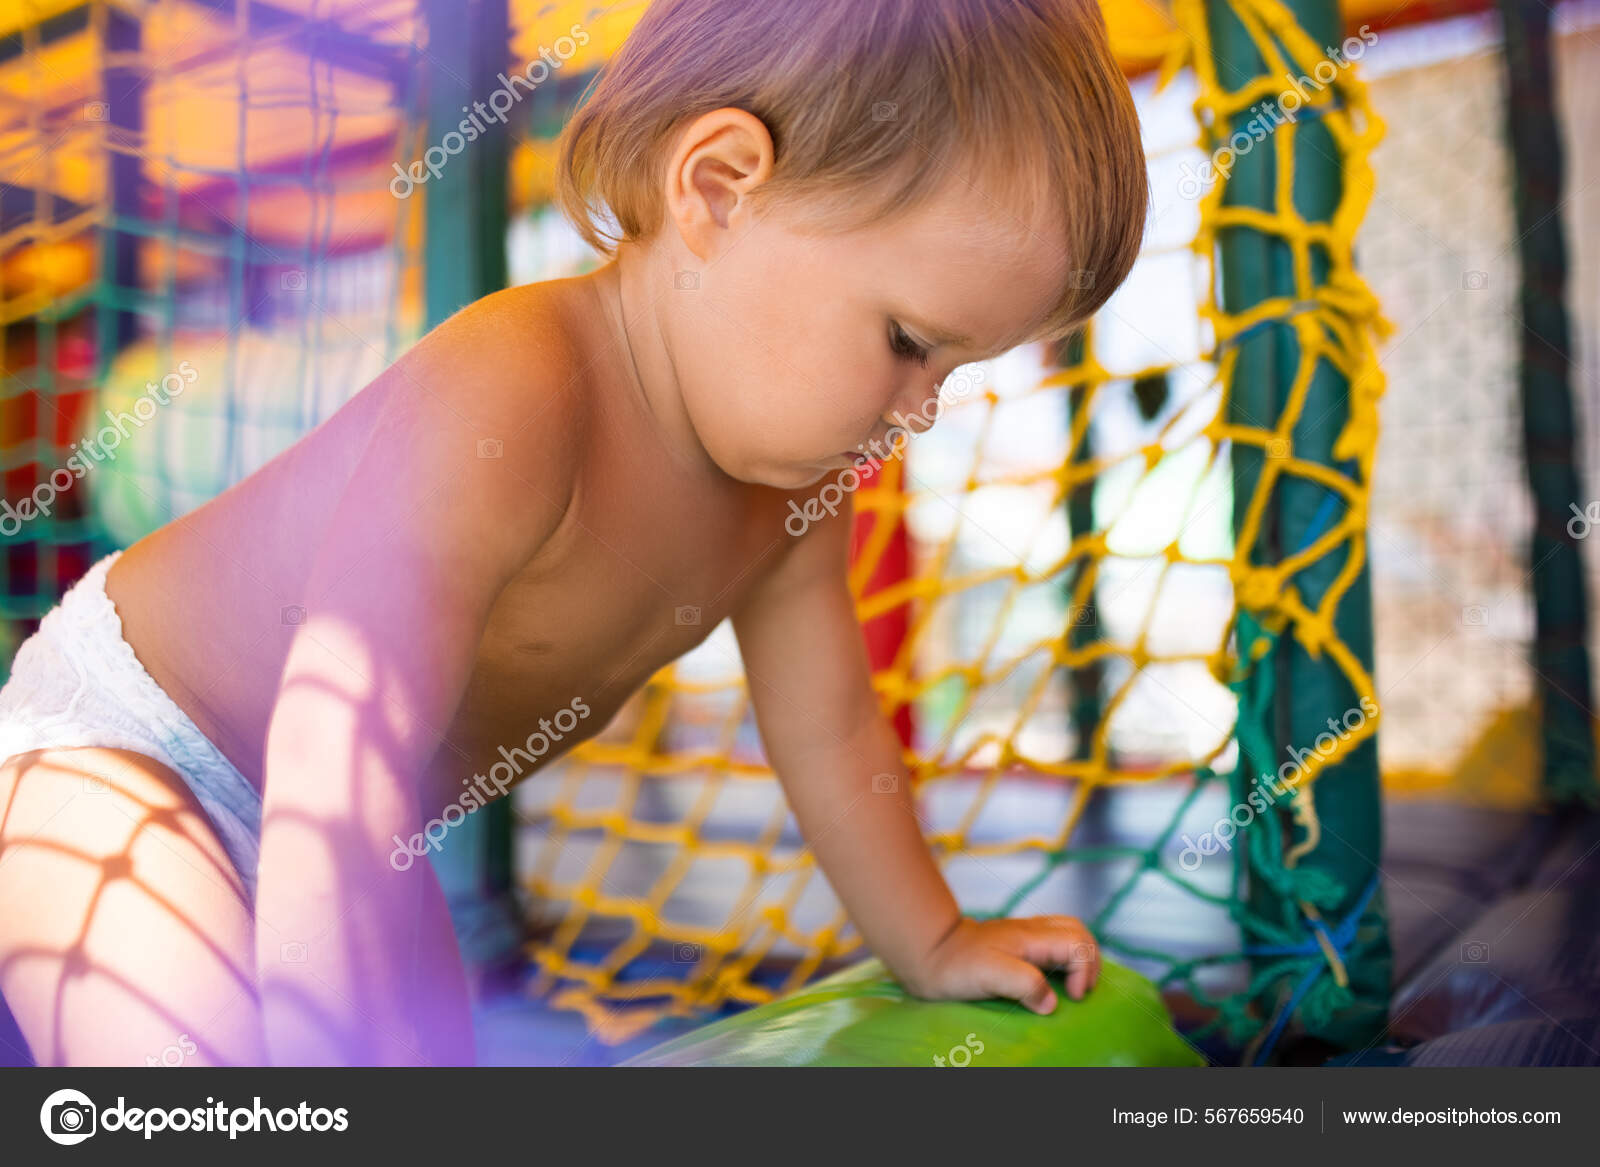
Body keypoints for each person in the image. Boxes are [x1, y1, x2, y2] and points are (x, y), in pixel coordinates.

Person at [0, 0, 1148, 1065]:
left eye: (957, 368)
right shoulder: (514, 392)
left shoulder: (798, 489)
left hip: (366, 826)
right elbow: (333, 744)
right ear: (719, 190)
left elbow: (834, 728)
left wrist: (933, 941)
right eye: (908, 341)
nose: (920, 409)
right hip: (130, 751)